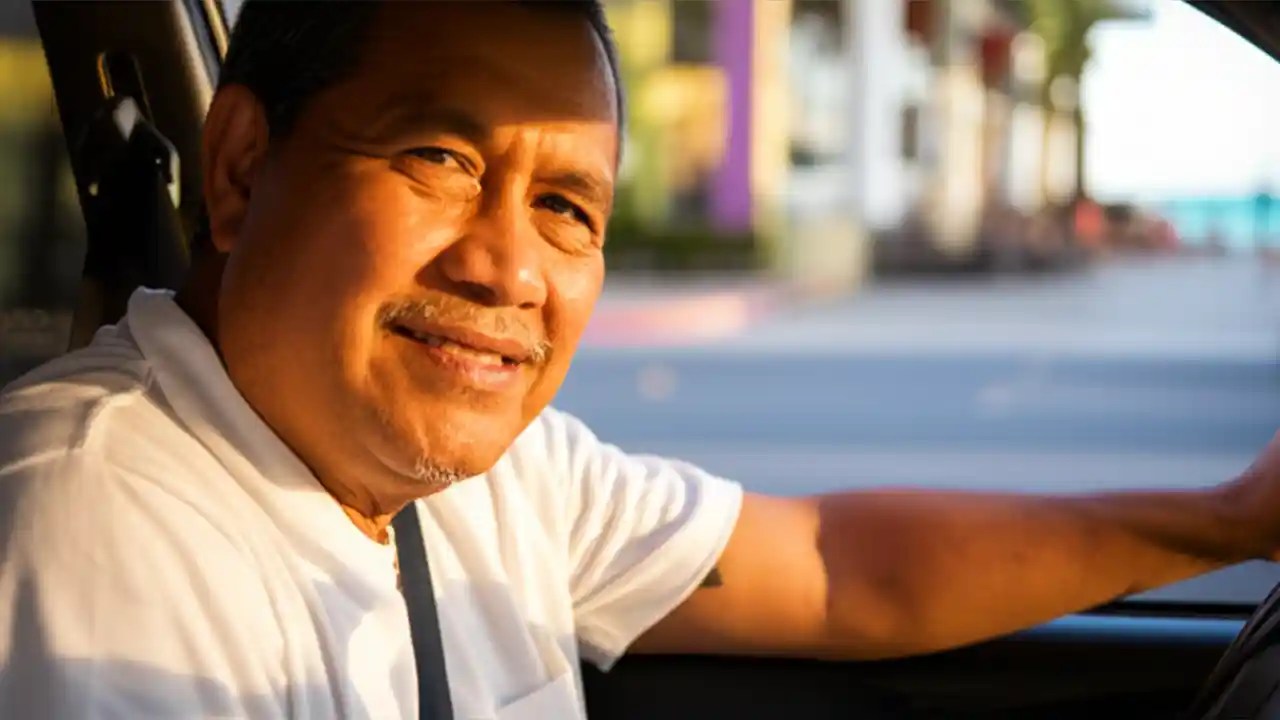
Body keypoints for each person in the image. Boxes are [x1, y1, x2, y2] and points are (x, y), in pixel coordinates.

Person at [2, 2, 1280, 718]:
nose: (505, 269)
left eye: (567, 207)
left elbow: (841, 571)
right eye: (440, 160)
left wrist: (1233, 519)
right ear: (238, 171)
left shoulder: (493, 483)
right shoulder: (92, 524)